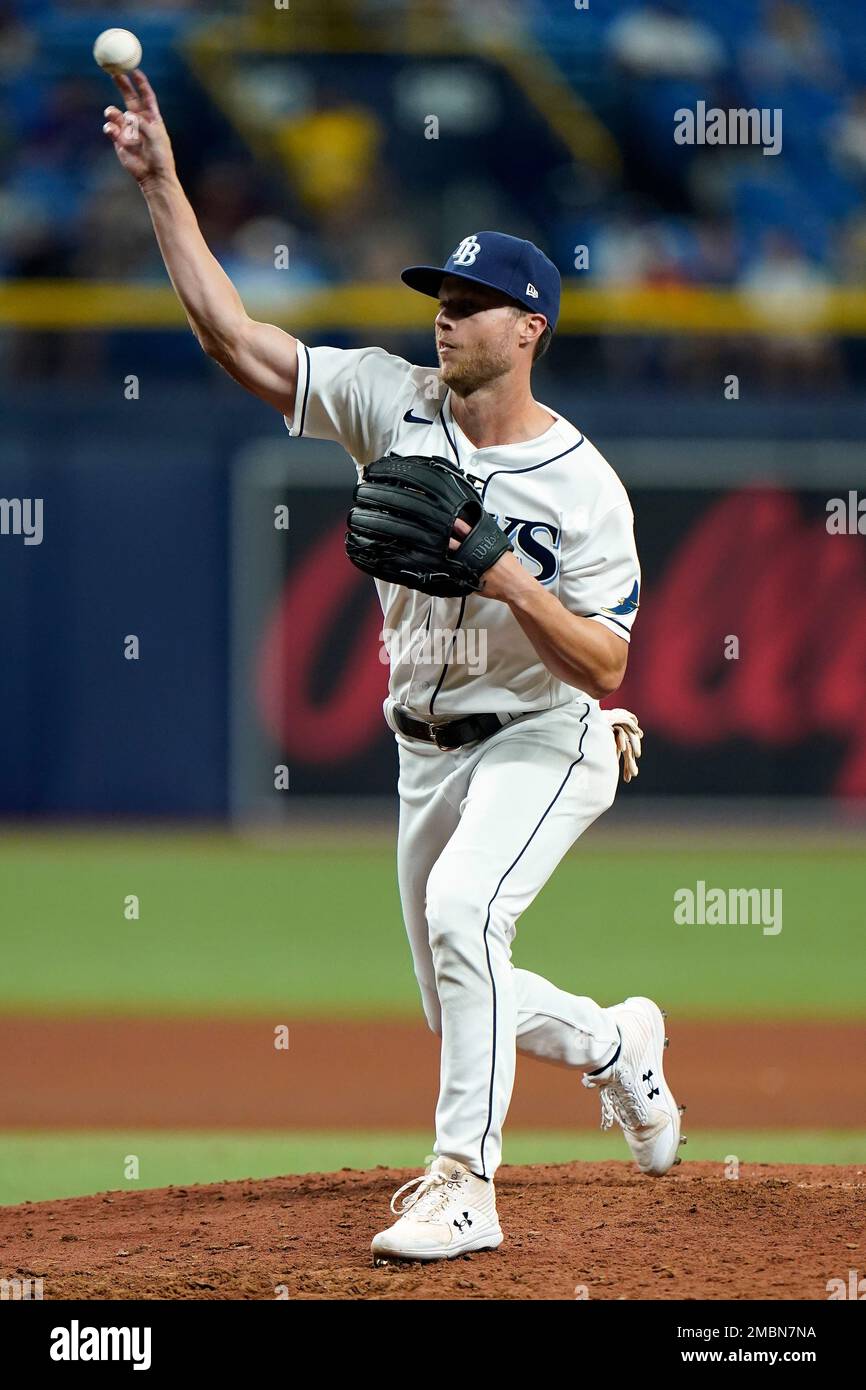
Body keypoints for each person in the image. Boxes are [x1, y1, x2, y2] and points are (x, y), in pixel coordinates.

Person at [102, 70, 683, 1264]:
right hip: (424, 750)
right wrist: (163, 184)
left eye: (475, 301)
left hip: (543, 733)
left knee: (468, 915)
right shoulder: (389, 401)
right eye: (440, 294)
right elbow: (230, 336)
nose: (447, 314)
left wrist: (504, 577)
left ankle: (463, 1185)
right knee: (454, 991)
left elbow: (609, 664)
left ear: (529, 328)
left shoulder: (580, 487)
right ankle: (620, 1044)